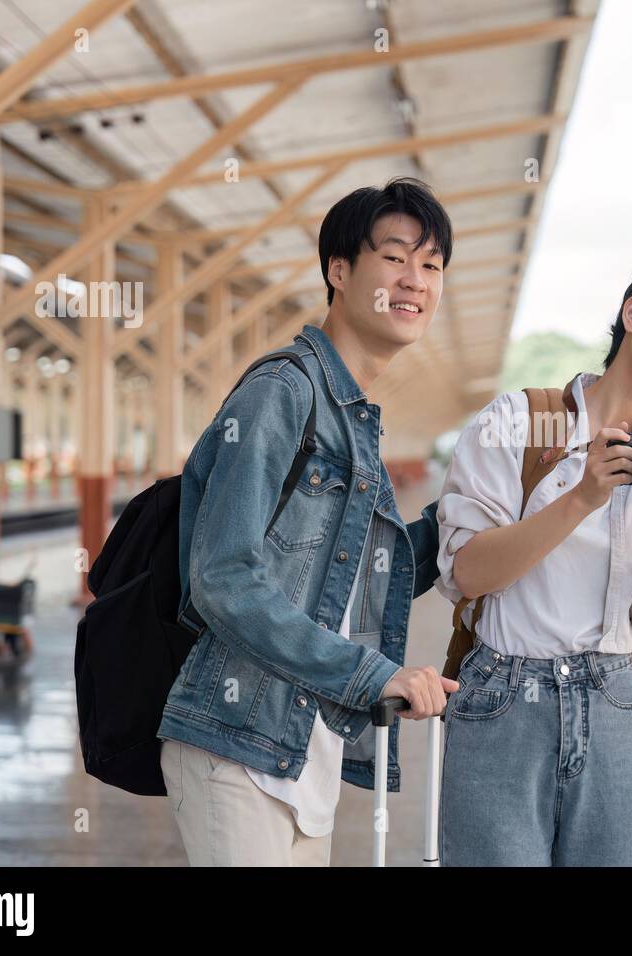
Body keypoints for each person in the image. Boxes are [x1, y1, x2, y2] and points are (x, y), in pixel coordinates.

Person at [157, 177, 459, 866]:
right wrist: (368, 672)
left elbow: (352, 579)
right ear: (339, 269)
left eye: (433, 264)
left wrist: (465, 516)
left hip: (302, 753)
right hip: (235, 744)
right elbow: (224, 578)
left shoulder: (356, 423)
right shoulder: (282, 393)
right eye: (395, 257)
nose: (416, 280)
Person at [434, 255, 632, 866]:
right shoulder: (519, 421)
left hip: (615, 700)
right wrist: (583, 497)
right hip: (503, 700)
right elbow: (468, 571)